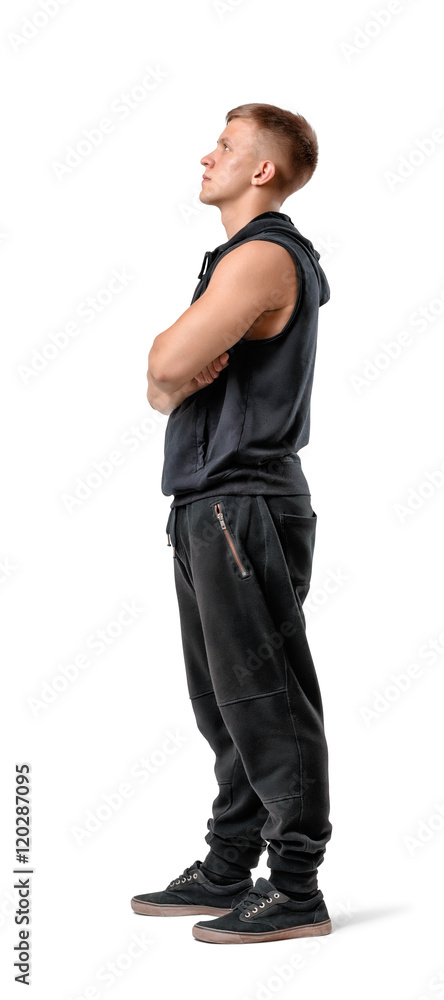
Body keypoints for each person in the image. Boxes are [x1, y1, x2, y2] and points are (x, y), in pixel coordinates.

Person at [131, 102, 333, 945]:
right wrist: (170, 378)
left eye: (225, 146)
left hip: (241, 504)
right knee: (222, 700)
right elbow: (160, 386)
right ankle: (229, 863)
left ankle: (293, 886)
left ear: (263, 171)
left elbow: (164, 366)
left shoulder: (263, 256)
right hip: (209, 505)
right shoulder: (233, 262)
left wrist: (174, 373)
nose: (204, 155)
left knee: (265, 698)